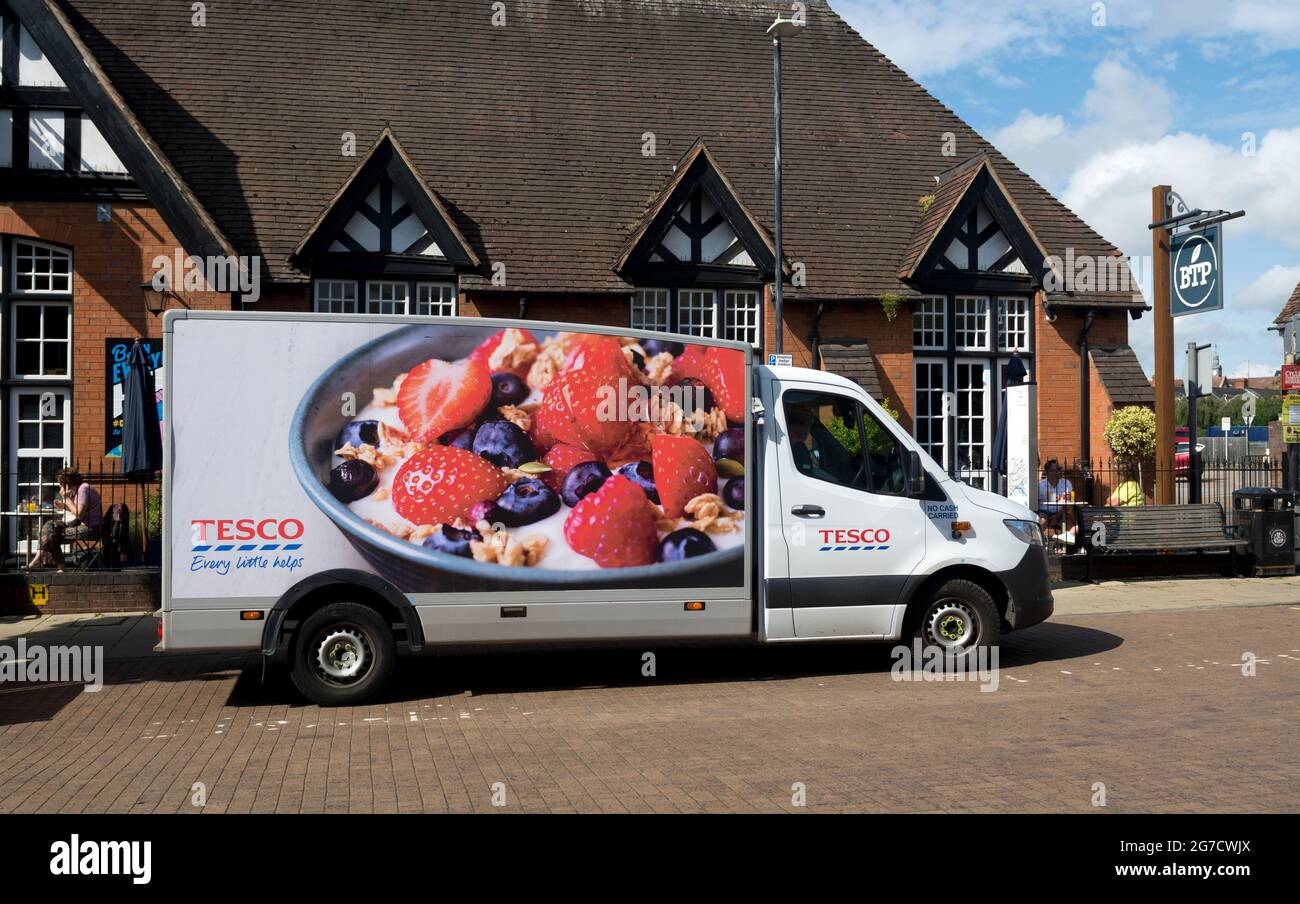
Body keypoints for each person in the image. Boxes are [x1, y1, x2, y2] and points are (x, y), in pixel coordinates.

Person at [27, 468, 102, 570]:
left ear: (68, 482)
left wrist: (66, 498)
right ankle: (41, 559)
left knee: (52, 535)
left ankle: (56, 564)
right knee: (50, 525)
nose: (59, 485)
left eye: (61, 483)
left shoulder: (83, 489)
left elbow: (79, 514)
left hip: (91, 528)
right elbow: (78, 509)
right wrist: (63, 505)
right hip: (81, 525)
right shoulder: (78, 490)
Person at [1037, 459, 1074, 535]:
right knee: (1042, 521)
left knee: (1075, 527)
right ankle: (1036, 542)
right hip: (1044, 512)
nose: (1060, 471)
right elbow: (1035, 504)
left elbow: (1070, 504)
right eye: (1057, 469)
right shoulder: (1041, 486)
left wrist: (1058, 515)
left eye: (1060, 468)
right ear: (1049, 472)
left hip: (1061, 513)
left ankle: (1063, 543)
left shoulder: (1067, 483)